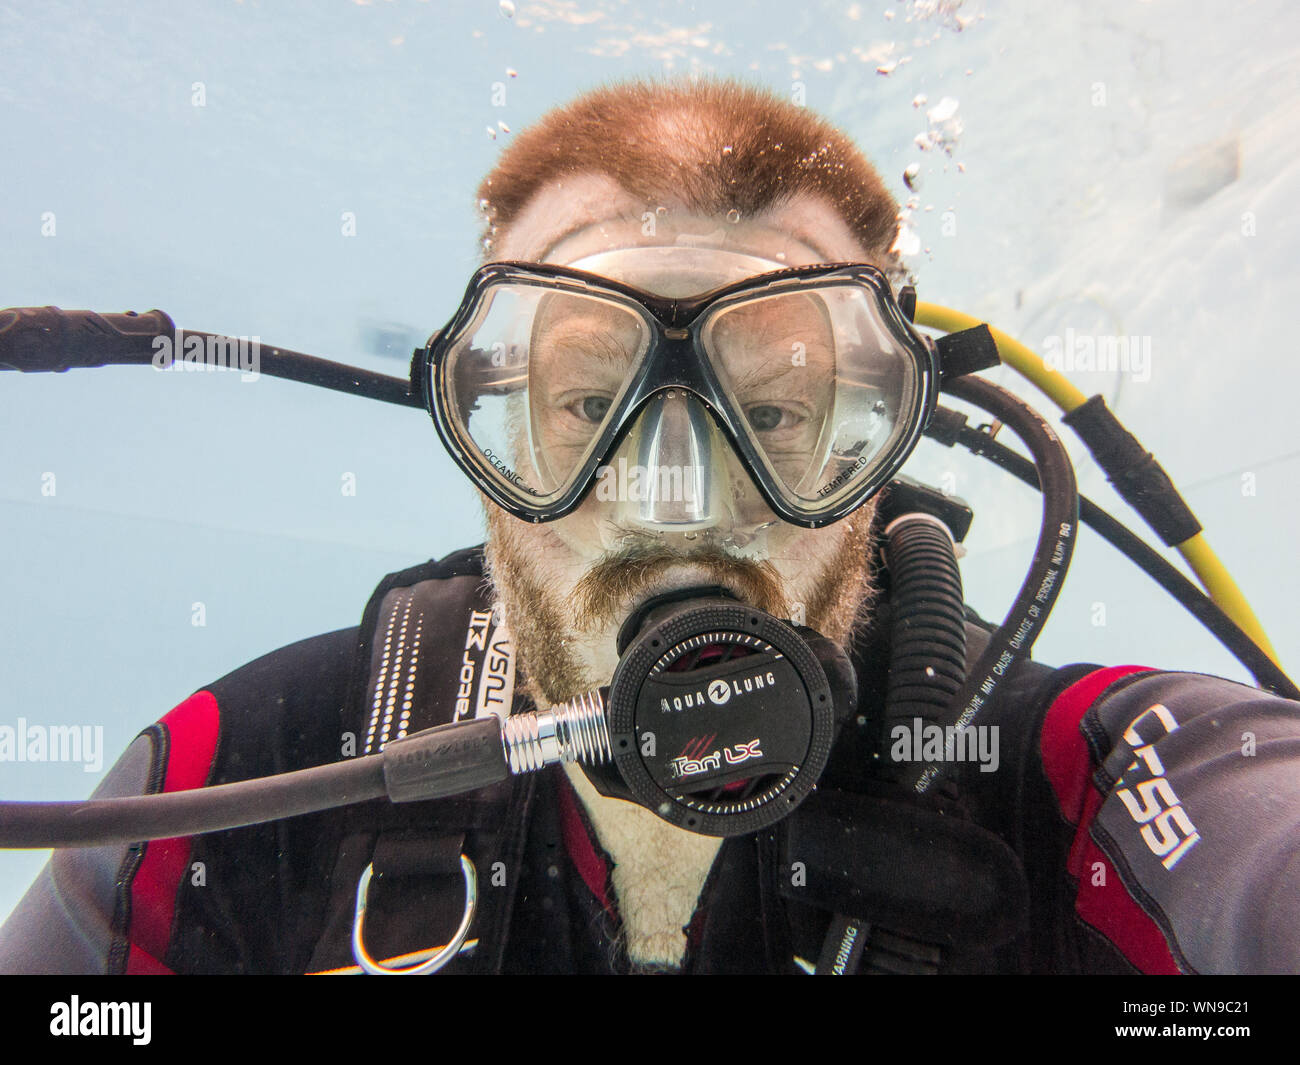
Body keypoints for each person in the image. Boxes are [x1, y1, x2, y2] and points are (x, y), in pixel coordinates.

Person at [1, 76, 1297, 976]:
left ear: (885, 441)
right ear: (486, 438)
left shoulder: (1099, 785)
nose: (677, 496)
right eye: (584, 400)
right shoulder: (228, 793)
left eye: (778, 408)